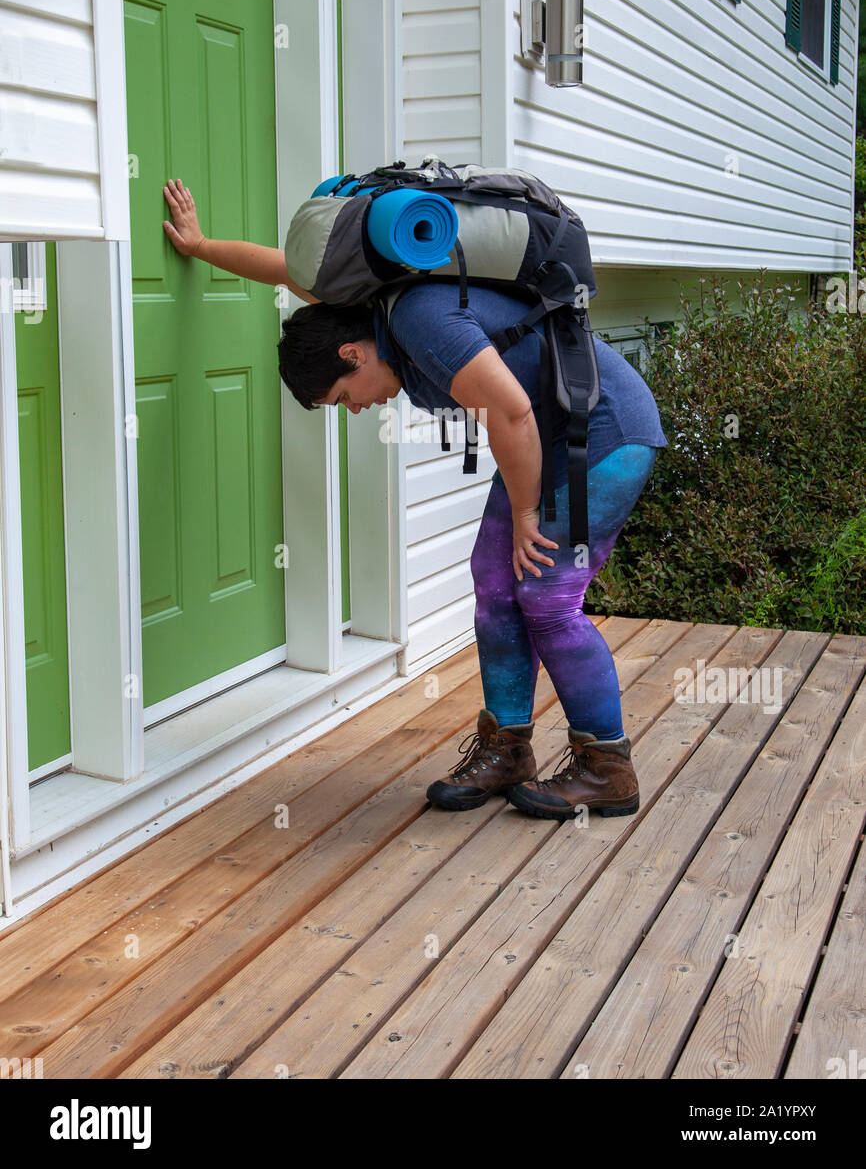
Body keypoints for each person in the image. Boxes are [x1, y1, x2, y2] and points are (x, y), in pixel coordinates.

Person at [162, 177, 668, 822]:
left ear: (352, 354)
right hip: (552, 436)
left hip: (603, 432)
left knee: (545, 592)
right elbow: (283, 270)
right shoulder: (367, 312)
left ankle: (607, 770)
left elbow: (510, 413)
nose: (359, 407)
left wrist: (524, 514)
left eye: (345, 397)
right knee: (494, 578)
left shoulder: (420, 319)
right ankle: (508, 750)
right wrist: (201, 246)